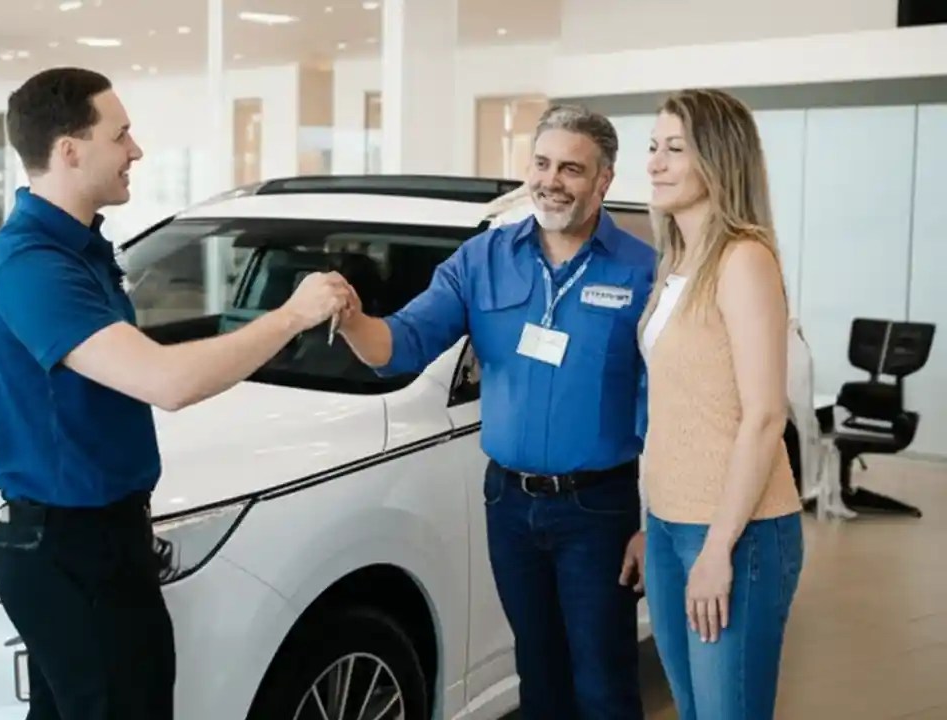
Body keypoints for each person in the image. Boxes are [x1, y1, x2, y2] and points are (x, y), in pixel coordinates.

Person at [0, 67, 353, 720]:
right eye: (121, 135)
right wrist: (291, 315)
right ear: (69, 150)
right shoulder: (35, 266)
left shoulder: (80, 249)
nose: (136, 151)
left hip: (95, 540)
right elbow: (165, 381)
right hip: (73, 550)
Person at [336, 105, 657, 719]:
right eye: (541, 163)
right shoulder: (480, 260)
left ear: (604, 180)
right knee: (536, 672)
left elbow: (662, 406)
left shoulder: (642, 272)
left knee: (603, 680)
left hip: (599, 509)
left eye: (571, 168)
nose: (551, 180)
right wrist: (350, 317)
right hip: (509, 504)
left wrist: (654, 522)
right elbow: (401, 344)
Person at [638, 88, 805, 720]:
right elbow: (679, 409)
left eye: (674, 149)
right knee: (694, 710)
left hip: (739, 532)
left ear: (718, 159)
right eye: (654, 147)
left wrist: (717, 549)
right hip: (668, 525)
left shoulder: (744, 259)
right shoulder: (679, 262)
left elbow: (765, 417)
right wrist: (651, 518)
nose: (654, 162)